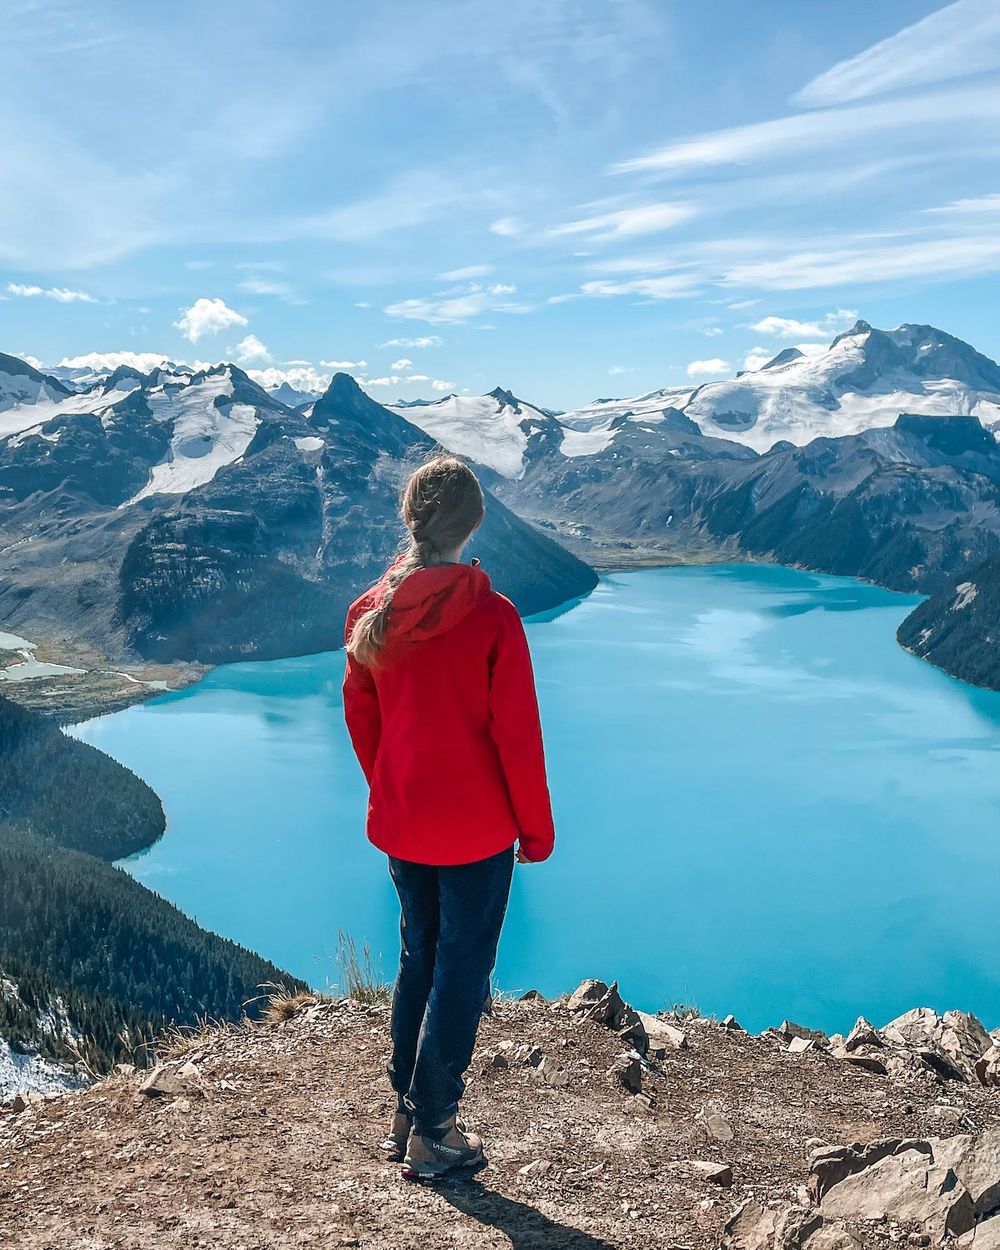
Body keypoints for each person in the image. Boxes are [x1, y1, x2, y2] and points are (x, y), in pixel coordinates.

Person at [342, 453, 555, 1182]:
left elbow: (363, 724)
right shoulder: (493, 619)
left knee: (417, 960)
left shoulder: (369, 614)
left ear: (412, 521)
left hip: (406, 826)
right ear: (475, 526)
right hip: (477, 834)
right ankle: (434, 1130)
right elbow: (517, 736)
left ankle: (406, 1111)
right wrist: (536, 830)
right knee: (461, 971)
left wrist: (394, 792)